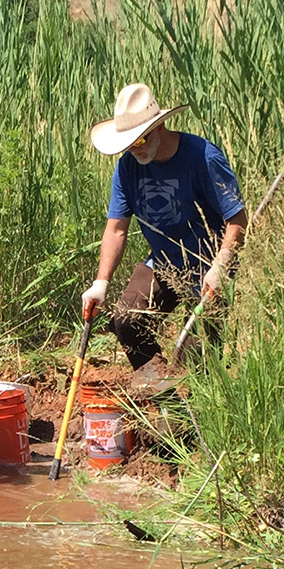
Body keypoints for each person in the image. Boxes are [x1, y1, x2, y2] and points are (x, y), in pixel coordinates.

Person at [79, 83, 247, 372]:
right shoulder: (128, 167)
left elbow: (238, 220)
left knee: (195, 356)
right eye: (128, 145)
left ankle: (197, 408)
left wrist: (222, 265)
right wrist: (101, 282)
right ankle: (166, 402)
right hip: (164, 262)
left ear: (160, 127)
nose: (135, 150)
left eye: (140, 141)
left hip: (209, 264)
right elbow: (116, 229)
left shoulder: (203, 158)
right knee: (127, 321)